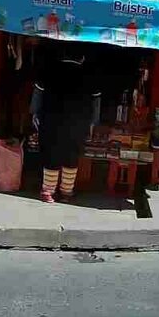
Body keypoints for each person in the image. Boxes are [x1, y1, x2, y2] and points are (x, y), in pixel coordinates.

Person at [30, 45, 101, 203]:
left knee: (51, 154)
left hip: (51, 119)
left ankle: (48, 191)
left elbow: (37, 94)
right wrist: (92, 123)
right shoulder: (89, 74)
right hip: (78, 122)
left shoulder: (49, 69)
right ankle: (66, 192)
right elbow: (96, 101)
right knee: (72, 155)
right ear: (82, 58)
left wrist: (34, 114)